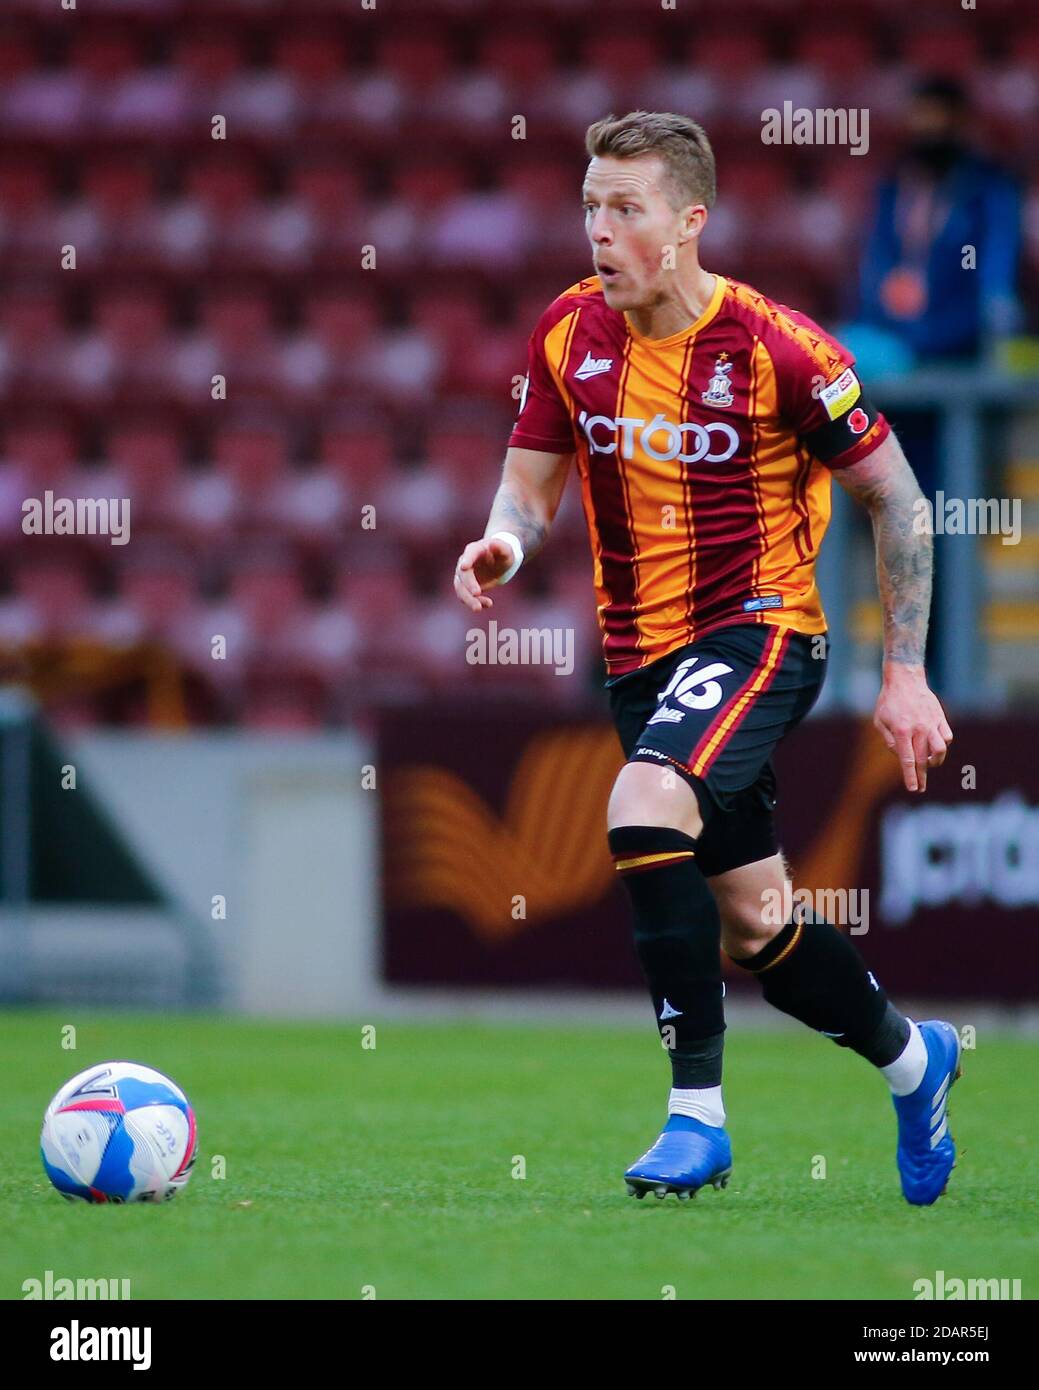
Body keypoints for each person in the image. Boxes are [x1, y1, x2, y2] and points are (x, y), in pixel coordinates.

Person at [452, 111, 958, 1205]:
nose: (598, 229)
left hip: (763, 630)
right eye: (589, 205)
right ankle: (918, 1063)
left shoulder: (781, 349)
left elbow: (896, 498)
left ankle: (696, 1120)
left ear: (688, 222)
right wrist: (505, 537)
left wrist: (905, 671)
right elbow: (530, 479)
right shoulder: (567, 334)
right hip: (639, 655)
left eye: (623, 208)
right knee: (758, 923)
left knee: (640, 807)